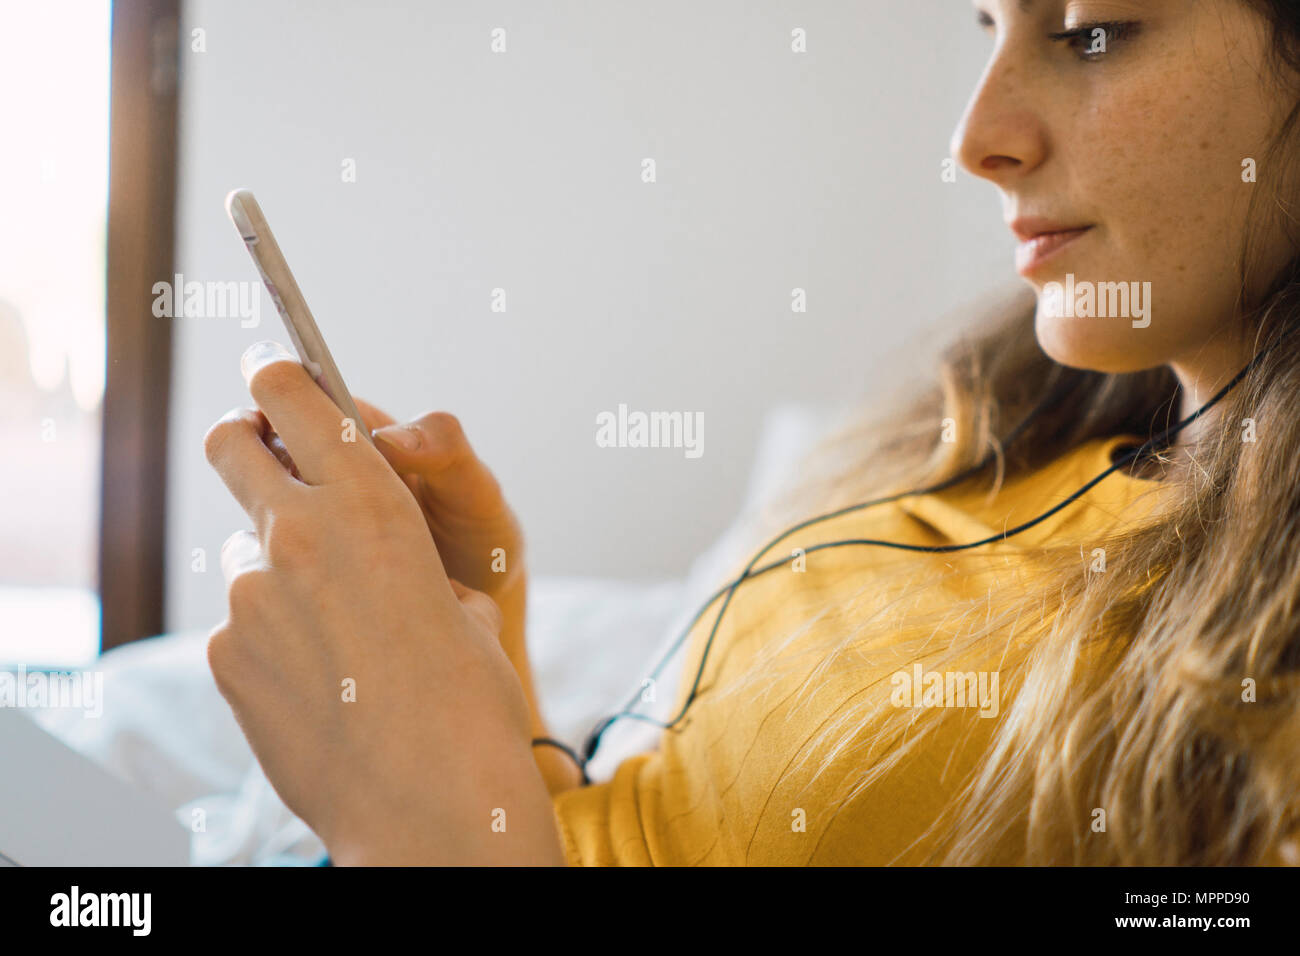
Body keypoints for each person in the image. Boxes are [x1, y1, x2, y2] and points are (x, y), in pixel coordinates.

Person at [203, 0, 1300, 865]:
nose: (976, 139)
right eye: (986, 26)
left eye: (1088, 34)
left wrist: (395, 806)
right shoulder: (1025, 444)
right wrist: (483, 631)